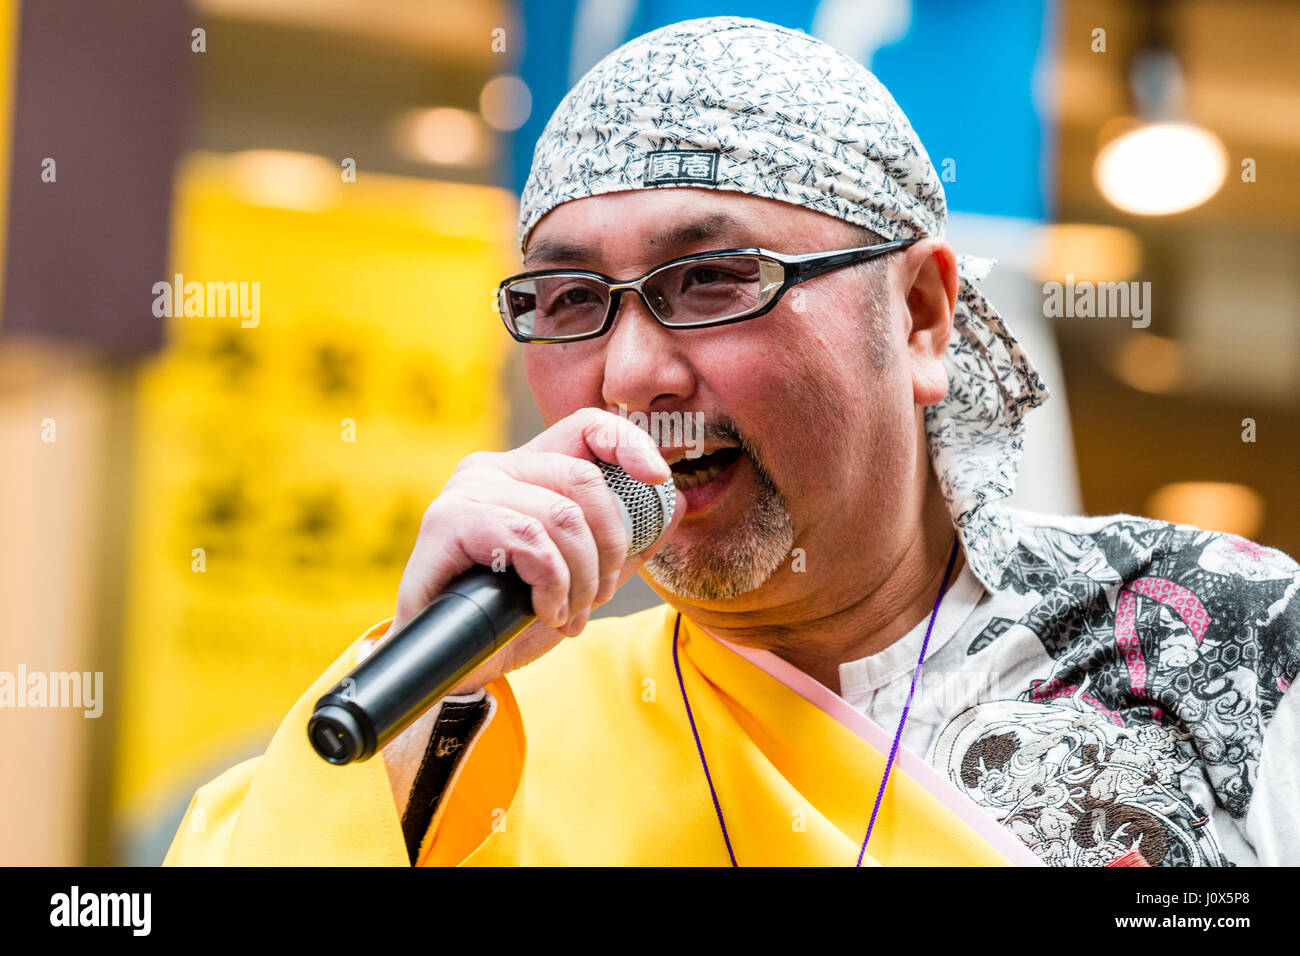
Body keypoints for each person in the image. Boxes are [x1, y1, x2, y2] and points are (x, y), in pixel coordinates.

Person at [164, 16, 1300, 867]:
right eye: (565, 299)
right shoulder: (485, 723)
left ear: (918, 316)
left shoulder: (1213, 643)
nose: (628, 372)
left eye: (711, 278)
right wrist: (420, 723)